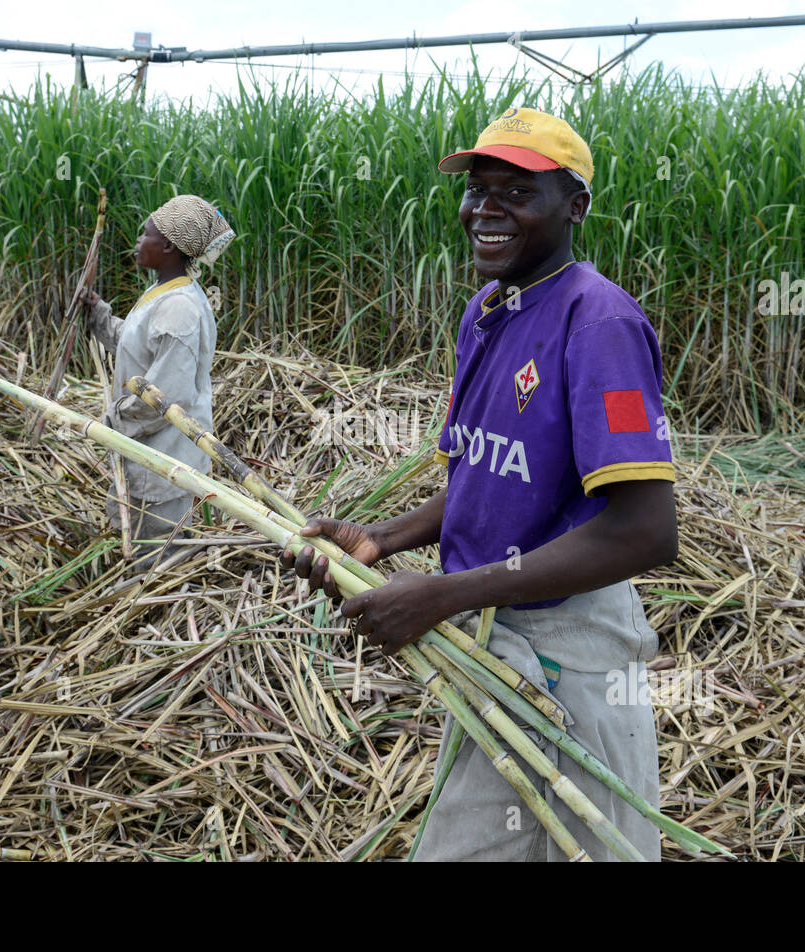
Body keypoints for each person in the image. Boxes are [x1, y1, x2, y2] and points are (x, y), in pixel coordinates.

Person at [281, 107, 678, 861]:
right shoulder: (487, 312)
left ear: (575, 206)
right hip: (493, 640)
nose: (485, 210)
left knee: (596, 847)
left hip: (572, 652)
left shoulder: (599, 323)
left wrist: (444, 595)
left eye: (516, 192)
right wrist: (383, 539)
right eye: (477, 190)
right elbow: (486, 472)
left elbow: (645, 532)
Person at [81, 194, 235, 572]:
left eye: (145, 235)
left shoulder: (180, 307)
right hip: (144, 452)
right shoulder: (162, 293)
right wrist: (100, 318)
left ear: (167, 246)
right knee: (136, 549)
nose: (138, 243)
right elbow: (138, 350)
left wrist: (112, 421)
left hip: (164, 461)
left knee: (157, 565)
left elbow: (164, 398)